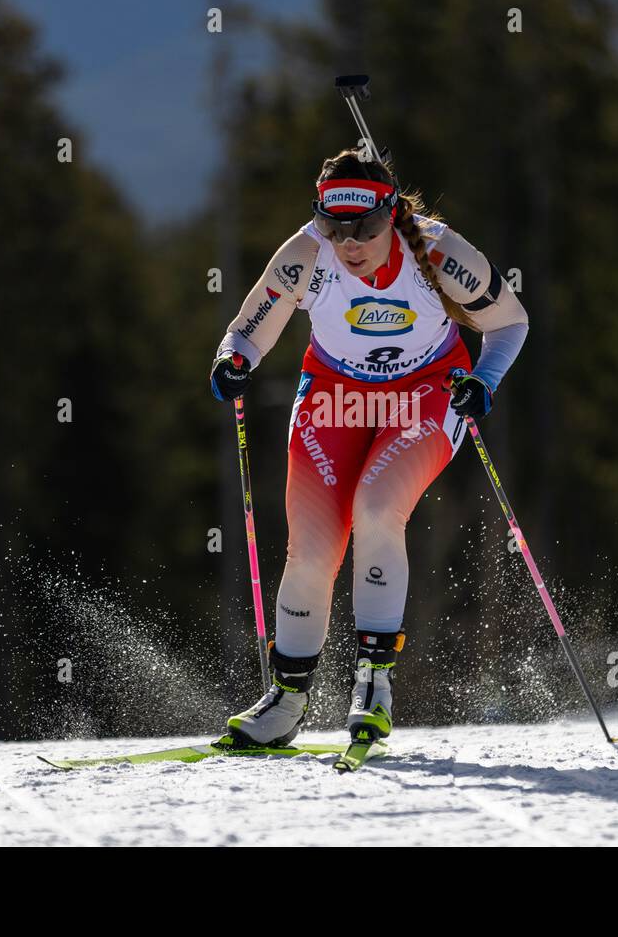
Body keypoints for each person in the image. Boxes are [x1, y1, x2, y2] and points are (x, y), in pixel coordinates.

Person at [209, 148, 529, 748]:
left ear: (392, 213)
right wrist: (233, 361)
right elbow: (249, 326)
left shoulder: (438, 255)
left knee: (379, 508)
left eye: (365, 227)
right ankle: (286, 699)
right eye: (334, 226)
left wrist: (482, 382)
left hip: (423, 392)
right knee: (311, 546)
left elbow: (510, 322)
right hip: (334, 394)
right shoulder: (306, 254)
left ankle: (374, 682)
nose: (349, 242)